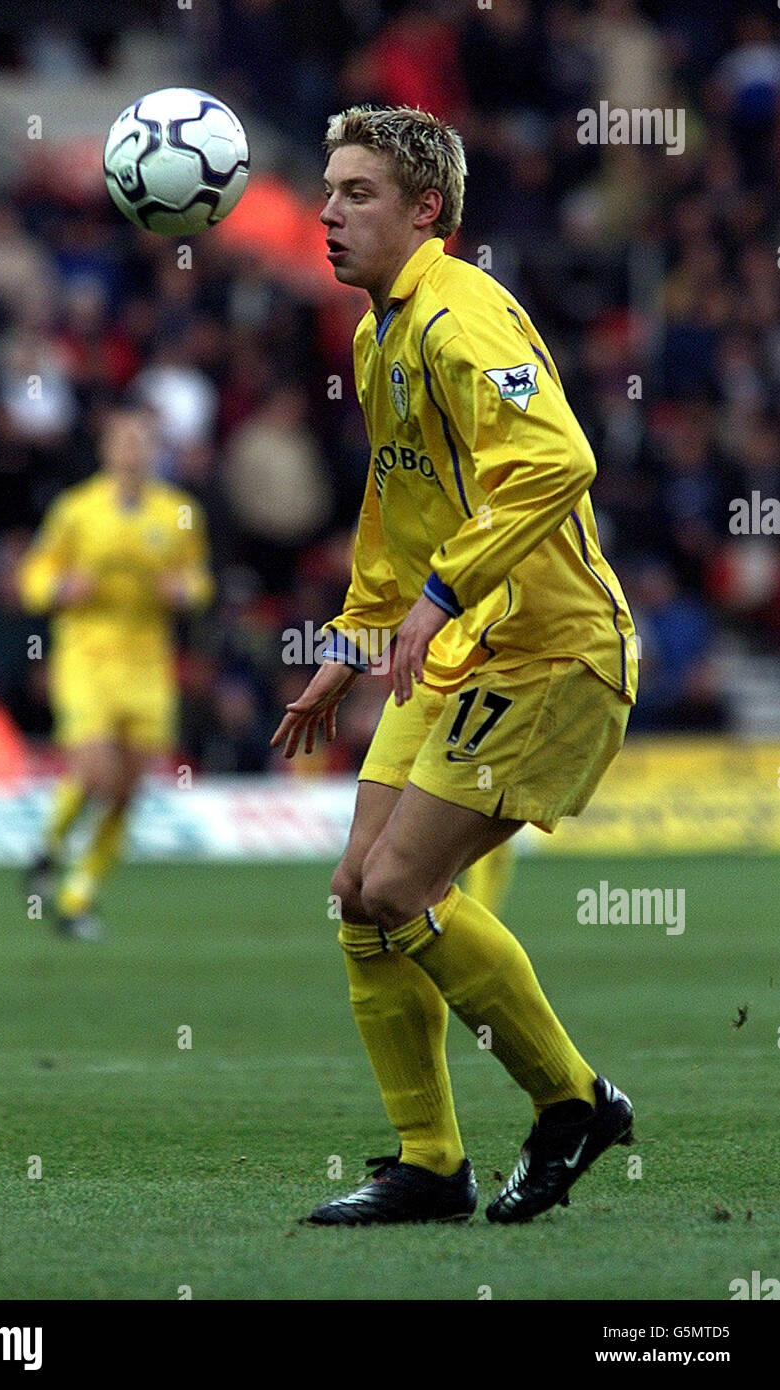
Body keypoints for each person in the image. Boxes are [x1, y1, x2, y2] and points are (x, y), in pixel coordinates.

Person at [272, 106, 638, 1225]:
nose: (328, 214)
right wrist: (351, 641)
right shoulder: (379, 332)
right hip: (462, 647)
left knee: (397, 887)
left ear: (426, 208)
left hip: (550, 649)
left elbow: (558, 459)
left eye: (358, 194)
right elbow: (397, 512)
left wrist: (441, 596)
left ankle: (574, 1101)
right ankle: (428, 1164)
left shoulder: (459, 315)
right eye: (327, 190)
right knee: (355, 897)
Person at [20, 402, 213, 938]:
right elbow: (34, 573)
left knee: (127, 789)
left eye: (142, 441)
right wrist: (58, 588)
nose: (132, 450)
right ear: (107, 450)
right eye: (123, 440)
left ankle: (77, 894)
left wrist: (186, 592)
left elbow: (199, 578)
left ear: (154, 450)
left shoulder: (178, 512)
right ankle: (51, 845)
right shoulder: (76, 510)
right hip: (86, 655)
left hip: (148, 662)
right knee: (97, 772)